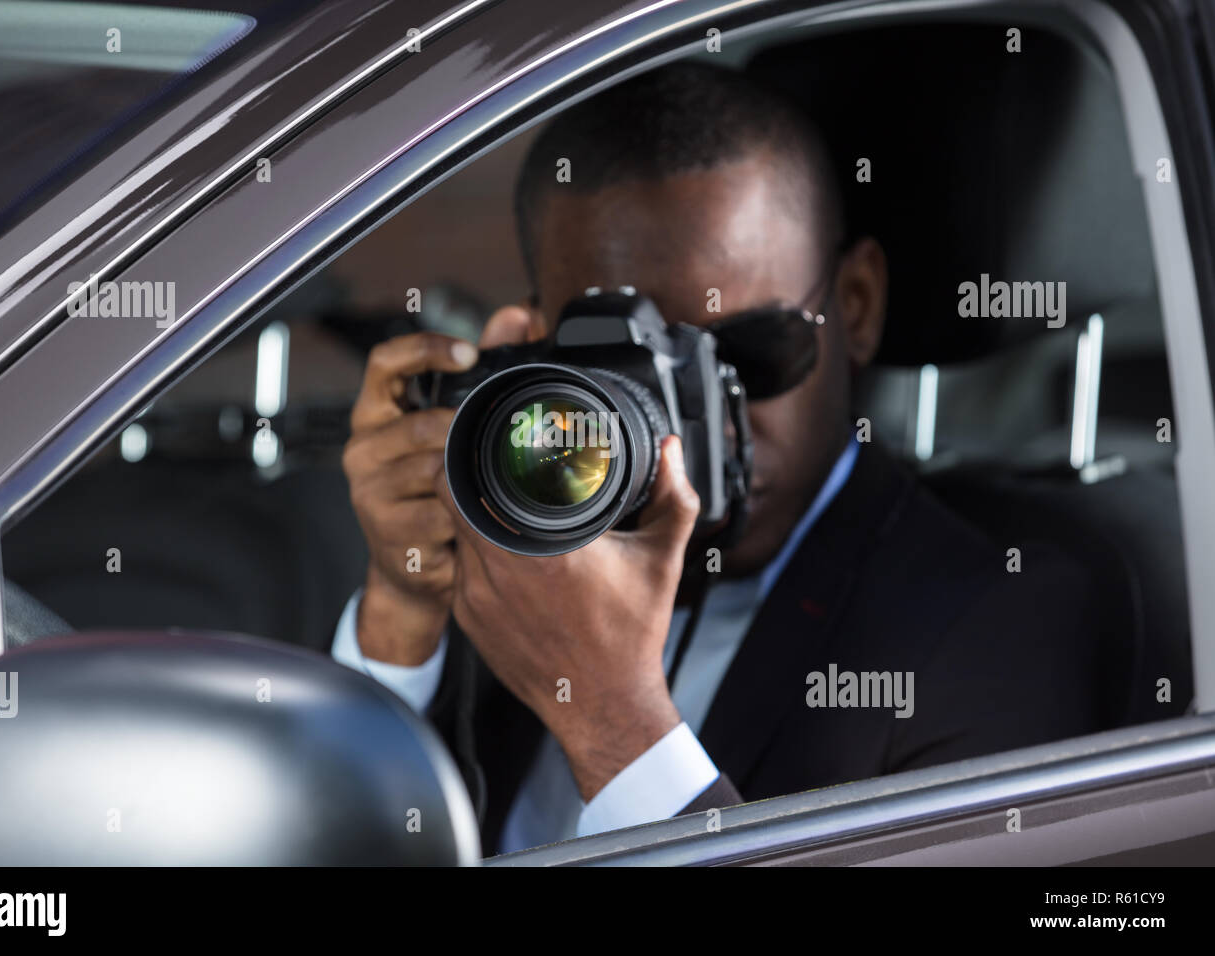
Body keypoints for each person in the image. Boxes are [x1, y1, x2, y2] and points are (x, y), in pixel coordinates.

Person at [332, 62, 1107, 854]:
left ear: (857, 306)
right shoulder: (505, 535)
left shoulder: (994, 623)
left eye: (746, 353)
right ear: (537, 341)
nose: (685, 431)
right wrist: (400, 618)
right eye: (622, 369)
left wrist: (615, 722)